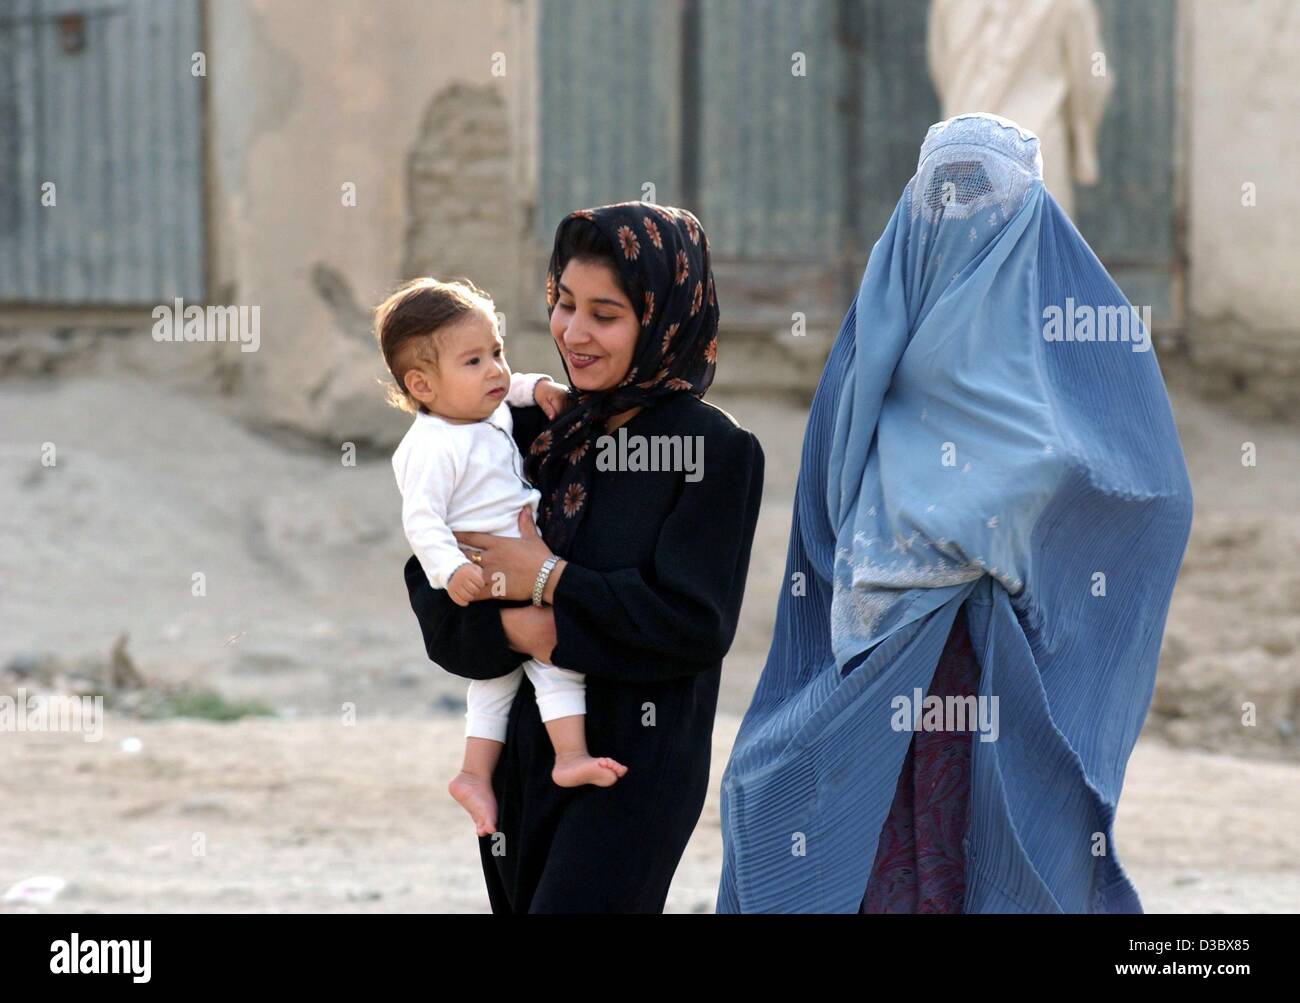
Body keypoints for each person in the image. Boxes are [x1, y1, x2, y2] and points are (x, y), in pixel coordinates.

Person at [716, 113, 1193, 913]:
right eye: (944, 189)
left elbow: (1149, 491)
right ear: (915, 199)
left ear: (1030, 214)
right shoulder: (875, 337)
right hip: (869, 649)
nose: (959, 212)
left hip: (991, 659)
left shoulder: (1070, 349)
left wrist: (1004, 539)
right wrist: (896, 568)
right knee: (819, 832)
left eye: (982, 193)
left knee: (976, 855)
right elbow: (823, 510)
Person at [402, 202, 765, 913]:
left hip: (633, 767)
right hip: (520, 764)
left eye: (606, 314)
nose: (573, 332)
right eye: (564, 304)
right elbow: (435, 589)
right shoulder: (526, 427)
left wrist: (547, 580)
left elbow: (693, 623)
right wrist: (513, 628)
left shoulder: (713, 451)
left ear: (663, 318)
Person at [377, 277, 629, 841]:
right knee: (546, 665)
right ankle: (553, 757)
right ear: (423, 384)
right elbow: (422, 521)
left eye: (497, 351)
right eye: (474, 360)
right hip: (487, 573)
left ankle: (483, 773)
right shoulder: (431, 446)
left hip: (520, 564)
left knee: (507, 679)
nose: (495, 370)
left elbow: (511, 387)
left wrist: (537, 386)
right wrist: (452, 571)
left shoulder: (480, 407)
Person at [927, 0, 1113, 218]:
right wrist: (1082, 144)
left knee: (963, 247)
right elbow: (1094, 74)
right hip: (1037, 153)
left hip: (961, 151)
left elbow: (940, 62)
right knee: (1041, 246)